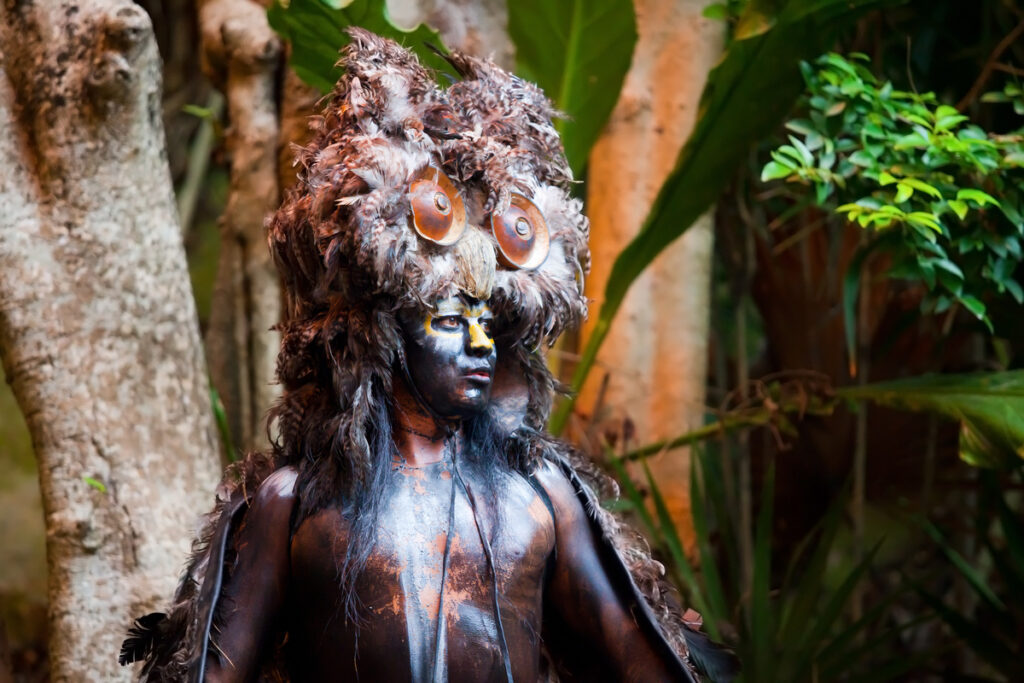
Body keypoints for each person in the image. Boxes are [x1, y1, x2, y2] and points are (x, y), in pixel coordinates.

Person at [119, 28, 737, 683]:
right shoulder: (295, 502)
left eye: (490, 319)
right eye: (448, 318)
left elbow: (643, 663)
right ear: (383, 330)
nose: (479, 340)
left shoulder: (542, 497)